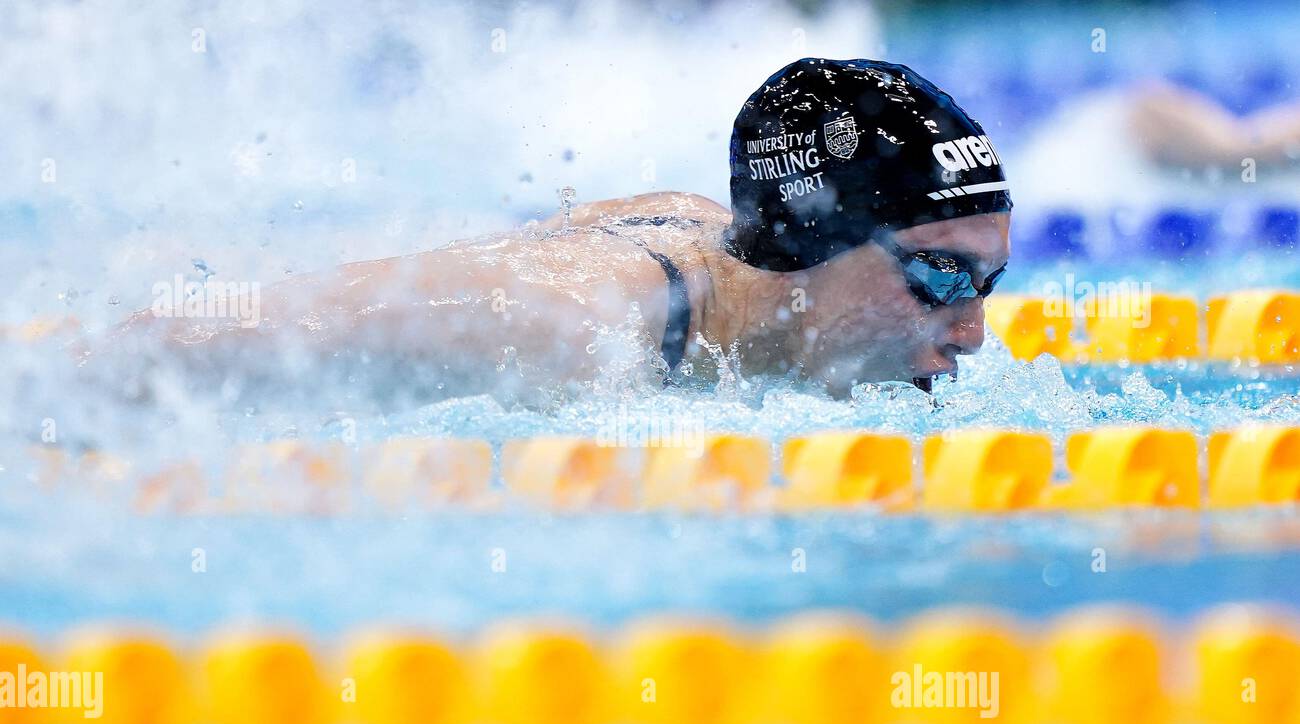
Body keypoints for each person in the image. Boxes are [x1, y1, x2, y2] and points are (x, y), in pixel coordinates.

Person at [103, 58, 1012, 404]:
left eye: (987, 284)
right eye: (939, 276)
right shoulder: (572, 322)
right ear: (814, 247)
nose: (973, 332)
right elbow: (172, 344)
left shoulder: (712, 245)